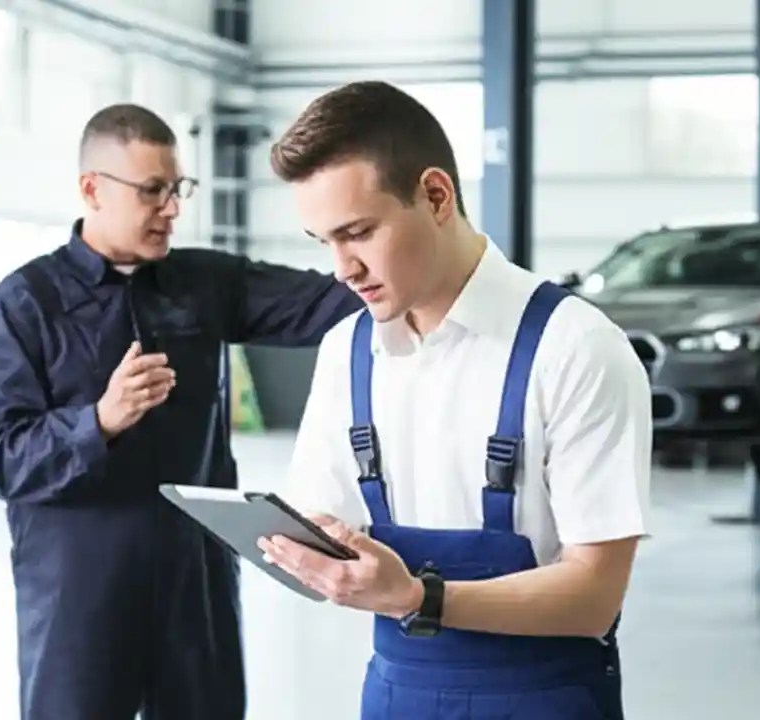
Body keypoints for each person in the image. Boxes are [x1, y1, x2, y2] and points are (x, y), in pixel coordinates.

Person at [257, 81, 652, 719]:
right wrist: (310, 549)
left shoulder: (576, 348)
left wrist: (419, 598)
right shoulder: (347, 352)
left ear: (436, 196)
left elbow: (595, 597)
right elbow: (319, 516)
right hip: (396, 696)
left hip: (543, 701)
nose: (342, 268)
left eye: (358, 232)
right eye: (323, 241)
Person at [0, 103, 362, 720]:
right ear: (92, 190)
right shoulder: (26, 304)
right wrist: (97, 421)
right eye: (152, 190)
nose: (172, 208)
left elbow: (334, 304)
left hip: (194, 583)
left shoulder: (204, 282)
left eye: (178, 188)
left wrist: (399, 253)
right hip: (79, 596)